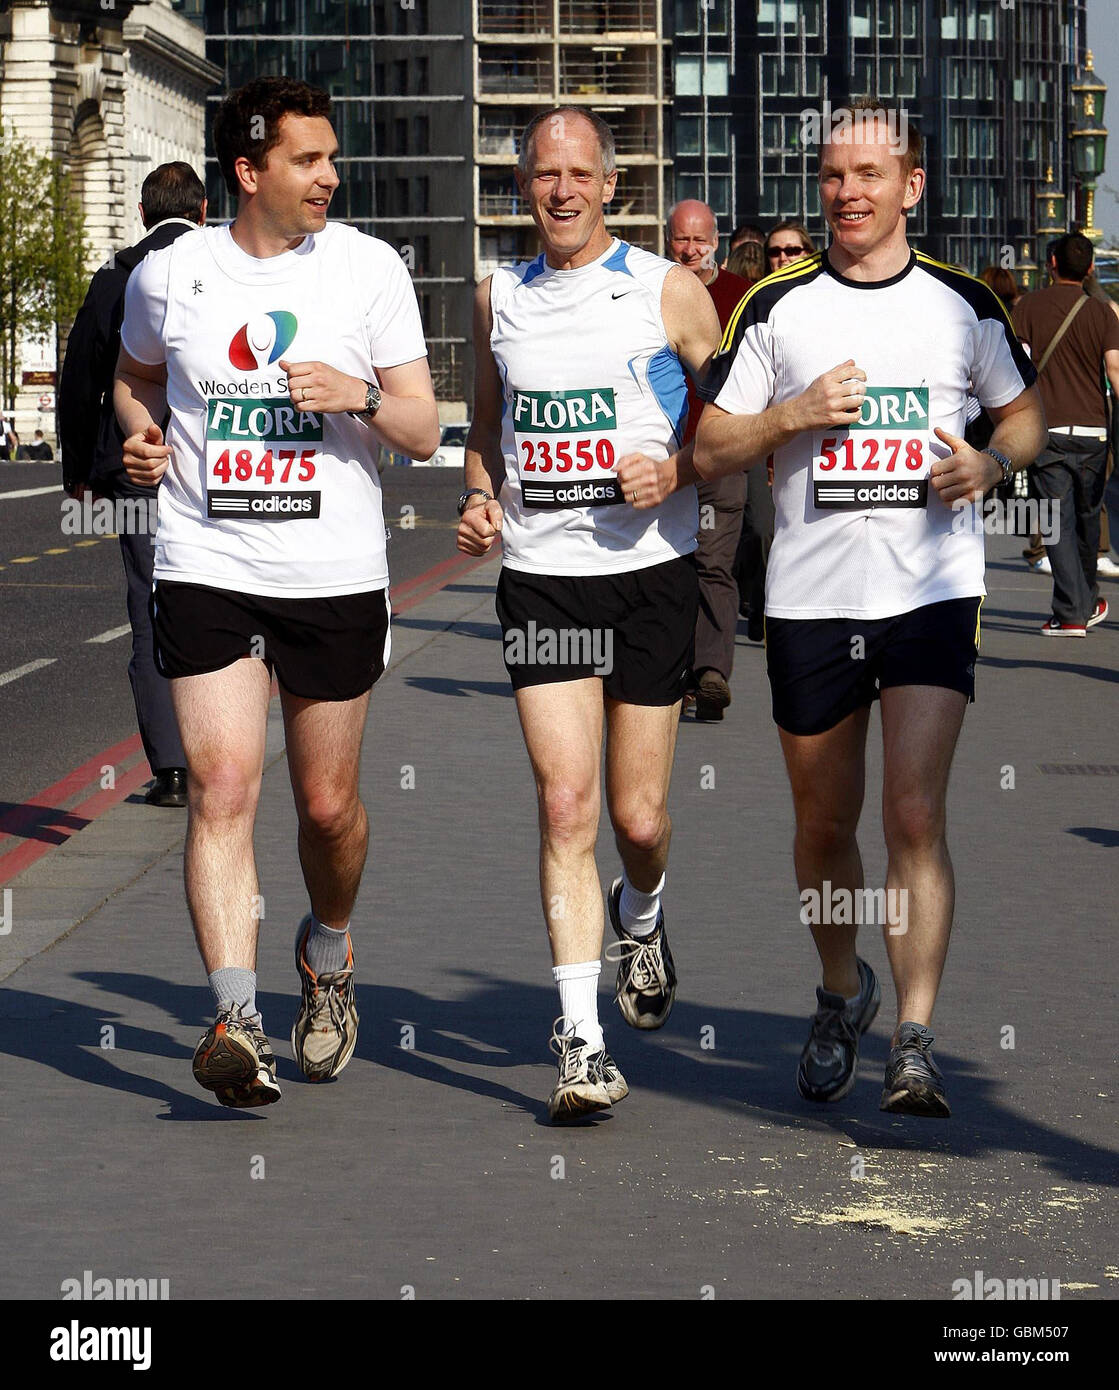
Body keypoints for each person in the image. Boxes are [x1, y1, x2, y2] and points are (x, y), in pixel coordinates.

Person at [695, 100, 1045, 1118]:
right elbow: (709, 447)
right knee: (823, 822)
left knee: (913, 812)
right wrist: (791, 416)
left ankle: (915, 1039)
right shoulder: (776, 305)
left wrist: (991, 462)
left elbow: (1024, 416)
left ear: (910, 188)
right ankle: (841, 989)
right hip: (810, 600)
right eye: (833, 175)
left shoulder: (961, 304)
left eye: (868, 175)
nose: (846, 193)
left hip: (930, 589)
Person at [114, 77, 439, 1107]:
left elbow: (425, 428)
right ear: (249, 171)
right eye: (308, 160)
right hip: (207, 562)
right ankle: (236, 1020)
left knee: (327, 808)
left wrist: (359, 394)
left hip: (331, 573)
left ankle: (327, 948)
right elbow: (135, 376)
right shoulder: (170, 274)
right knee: (221, 789)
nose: (330, 176)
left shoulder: (368, 268)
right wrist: (140, 434)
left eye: (331, 157)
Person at [457, 107, 721, 1121]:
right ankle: (579, 1041)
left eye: (579, 174)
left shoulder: (666, 289)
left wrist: (677, 468)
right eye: (543, 174)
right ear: (521, 185)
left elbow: (730, 421)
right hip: (543, 578)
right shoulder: (497, 296)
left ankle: (640, 915)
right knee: (567, 807)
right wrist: (478, 499)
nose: (560, 191)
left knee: (636, 819)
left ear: (611, 185)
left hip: (650, 574)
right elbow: (486, 429)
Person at [59, 161, 208, 809]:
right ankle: (218, 754)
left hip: (134, 465)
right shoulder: (224, 267)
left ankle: (171, 770)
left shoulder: (116, 278)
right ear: (203, 211)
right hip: (215, 466)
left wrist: (78, 473)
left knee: (150, 608)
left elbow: (80, 378)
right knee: (217, 602)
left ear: (143, 214)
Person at [665, 199, 750, 721]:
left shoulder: (741, 296)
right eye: (682, 239)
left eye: (700, 239)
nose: (691, 249)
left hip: (722, 456)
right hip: (665, 458)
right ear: (668, 240)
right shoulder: (654, 291)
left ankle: (711, 674)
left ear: (716, 241)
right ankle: (672, 675)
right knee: (669, 568)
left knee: (714, 564)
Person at [1013, 232, 1118, 636]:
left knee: (1057, 520)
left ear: (1052, 263)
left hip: (1048, 429)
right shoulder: (1102, 313)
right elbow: (1115, 370)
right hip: (1094, 432)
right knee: (1089, 520)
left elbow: (1017, 368)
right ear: (1090, 267)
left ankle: (1073, 611)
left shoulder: (1028, 307)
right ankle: (1083, 601)